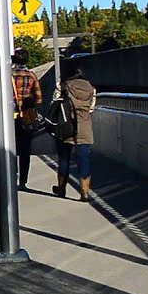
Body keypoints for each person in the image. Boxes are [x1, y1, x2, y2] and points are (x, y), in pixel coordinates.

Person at [51, 61, 96, 201]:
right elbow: (91, 109)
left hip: (65, 127)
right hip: (84, 127)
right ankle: (85, 191)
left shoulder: (62, 86)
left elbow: (54, 104)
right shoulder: (91, 88)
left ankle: (61, 189)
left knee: (64, 158)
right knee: (84, 159)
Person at [11, 49, 42, 189]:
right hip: (27, 117)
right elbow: (39, 99)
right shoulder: (31, 76)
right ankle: (23, 181)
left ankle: (11, 175)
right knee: (25, 150)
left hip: (10, 117)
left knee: (10, 148)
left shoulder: (8, 76)